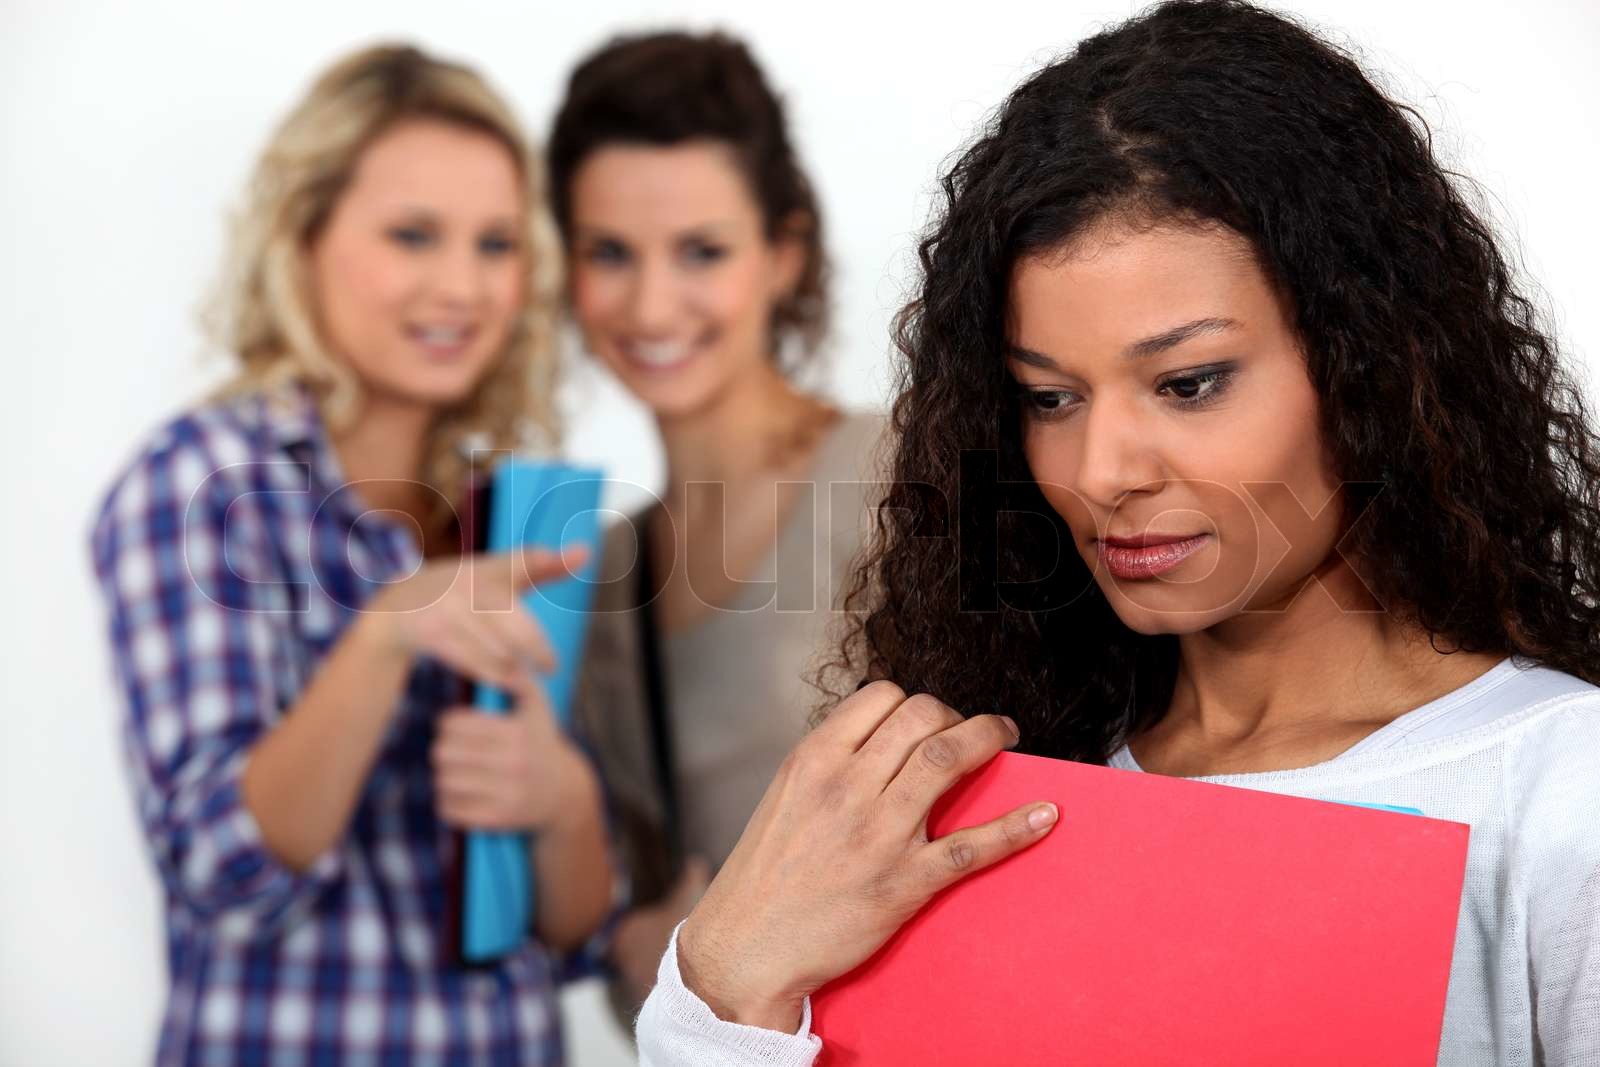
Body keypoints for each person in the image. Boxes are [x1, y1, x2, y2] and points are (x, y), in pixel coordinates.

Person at [630, 1, 1600, 1063]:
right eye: (1049, 399)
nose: (1101, 474)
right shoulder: (978, 799)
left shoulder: (1561, 795)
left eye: (1187, 383)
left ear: (1370, 365)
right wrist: (721, 980)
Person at [89, 44, 614, 1065]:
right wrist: (386, 632)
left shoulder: (511, 508)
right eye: (412, 234)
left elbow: (575, 932)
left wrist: (561, 798)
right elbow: (222, 867)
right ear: (303, 238)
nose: (462, 285)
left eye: (496, 243)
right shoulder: (196, 481)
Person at [548, 32, 887, 1021]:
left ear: (782, 253)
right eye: (610, 252)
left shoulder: (910, 469)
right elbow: (642, 939)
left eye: (701, 250)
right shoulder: (602, 580)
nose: (652, 303)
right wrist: (639, 943)